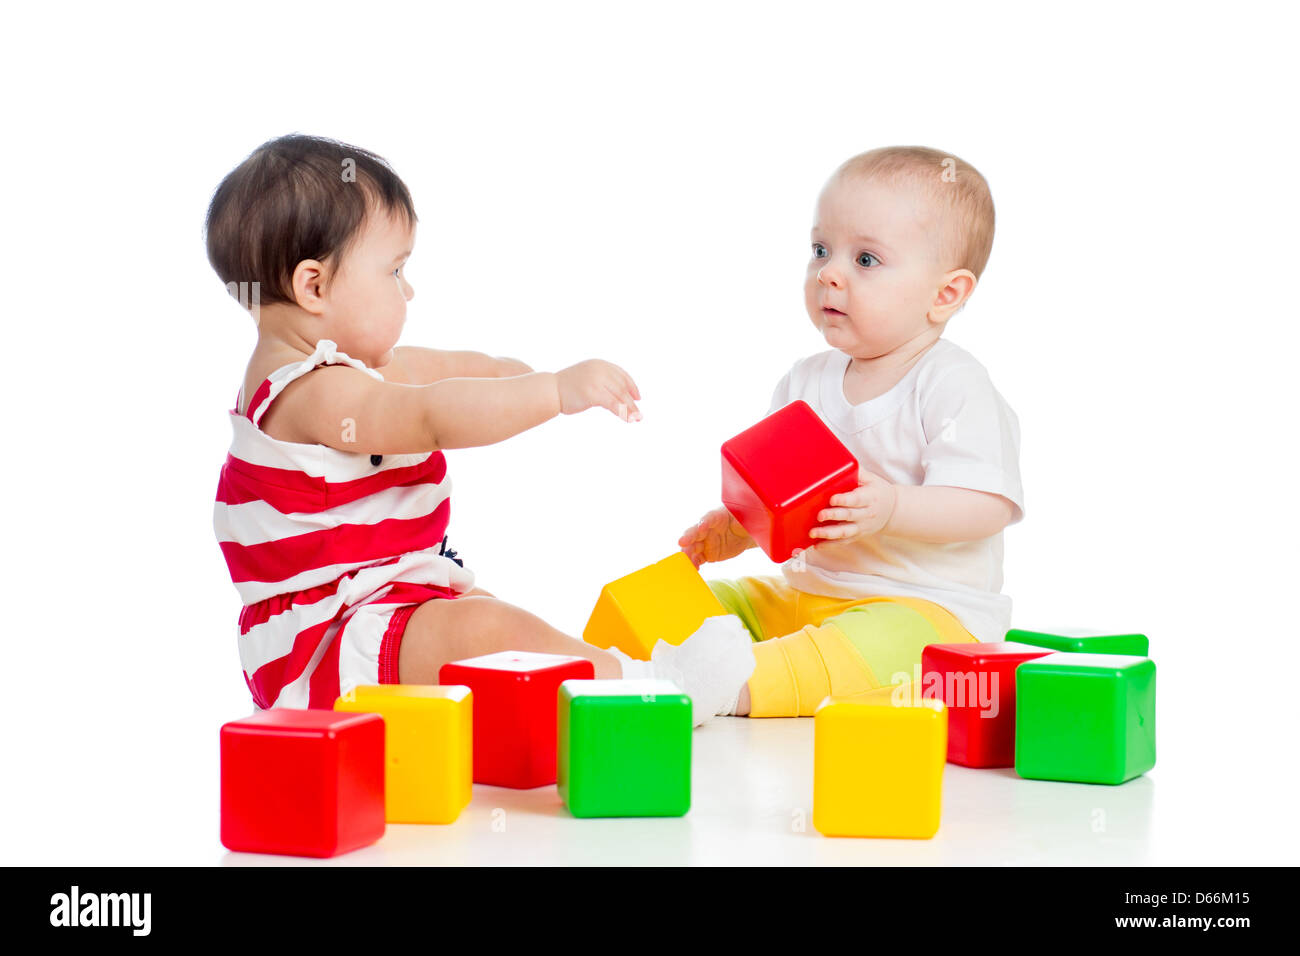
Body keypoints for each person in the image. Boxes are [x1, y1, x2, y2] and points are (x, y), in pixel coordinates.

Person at [208, 134, 753, 722]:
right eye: (395, 271)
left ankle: (594, 693)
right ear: (314, 287)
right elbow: (430, 414)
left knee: (501, 632)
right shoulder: (315, 392)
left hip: (385, 608)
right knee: (485, 629)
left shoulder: (345, 370)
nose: (408, 289)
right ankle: (653, 690)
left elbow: (450, 370)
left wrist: (521, 376)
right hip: (326, 648)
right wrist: (552, 394)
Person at [679, 146, 1025, 718]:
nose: (828, 273)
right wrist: (744, 527)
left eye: (866, 260)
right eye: (820, 250)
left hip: (922, 613)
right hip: (806, 595)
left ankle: (726, 684)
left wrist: (892, 507)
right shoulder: (802, 382)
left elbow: (986, 505)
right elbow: (785, 503)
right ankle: (638, 658)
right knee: (698, 605)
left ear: (946, 294)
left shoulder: (952, 382)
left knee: (872, 648)